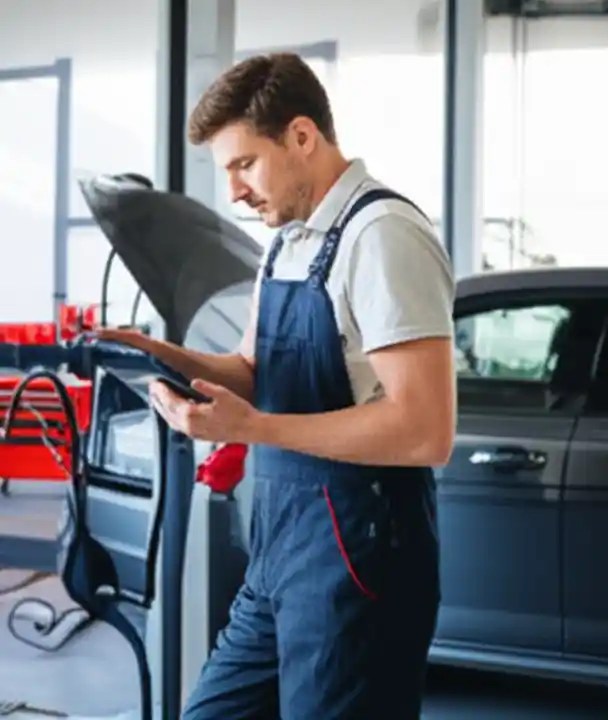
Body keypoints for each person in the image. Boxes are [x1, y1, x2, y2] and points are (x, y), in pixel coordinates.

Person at [99, 52, 456, 718]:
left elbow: (424, 430)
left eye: (244, 165)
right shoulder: (289, 243)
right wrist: (155, 353)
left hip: (358, 565)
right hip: (279, 553)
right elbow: (253, 371)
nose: (234, 191)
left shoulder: (383, 237)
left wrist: (250, 428)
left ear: (301, 136)